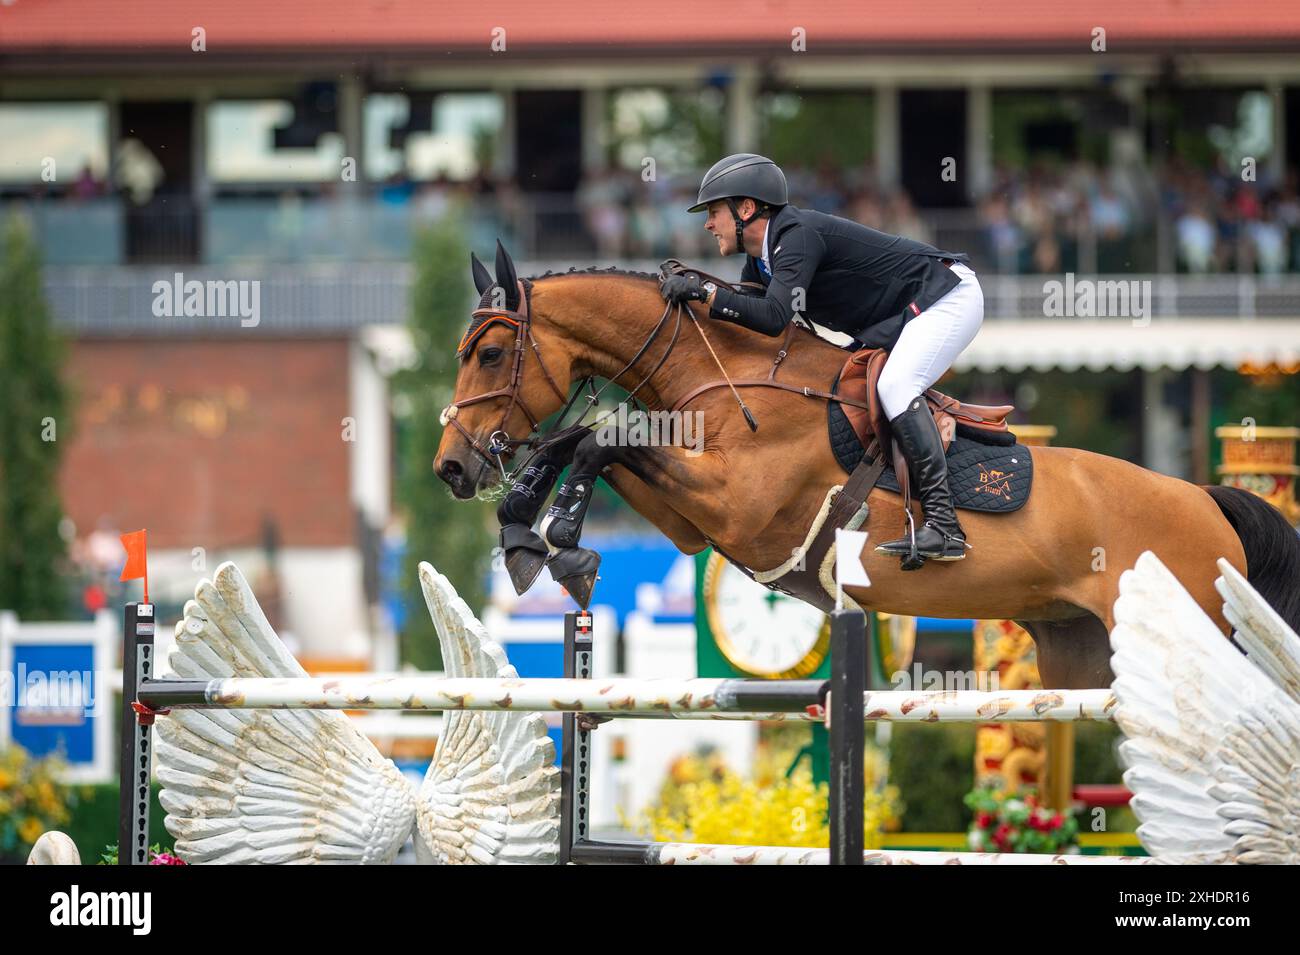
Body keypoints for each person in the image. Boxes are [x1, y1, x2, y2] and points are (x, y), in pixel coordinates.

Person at [660, 153, 984, 563]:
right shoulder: (760, 260)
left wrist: (704, 293)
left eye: (713, 212)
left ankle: (945, 526)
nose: (708, 223)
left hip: (945, 296)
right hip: (903, 316)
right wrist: (695, 295)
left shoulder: (795, 235)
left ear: (746, 209)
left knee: (896, 385)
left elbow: (774, 317)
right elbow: (747, 312)